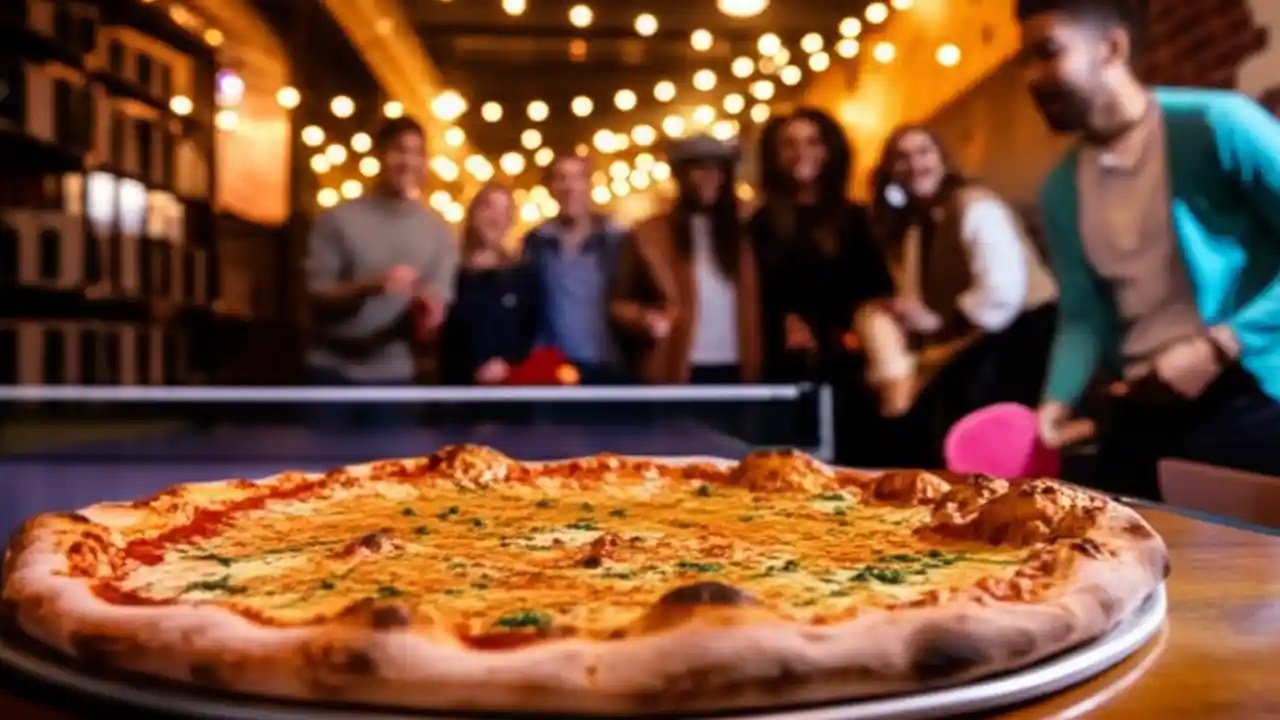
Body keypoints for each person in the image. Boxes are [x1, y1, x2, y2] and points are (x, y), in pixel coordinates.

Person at [1018, 0, 1280, 498]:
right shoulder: (1059, 190)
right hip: (1142, 404)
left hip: (1248, 384)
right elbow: (1081, 315)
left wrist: (1221, 346)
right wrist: (1055, 403)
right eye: (1024, 62)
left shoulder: (1218, 123)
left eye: (1047, 52)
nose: (1031, 77)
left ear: (1112, 47)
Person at [856, 125, 1059, 462]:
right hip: (975, 336)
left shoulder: (974, 205)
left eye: (923, 152)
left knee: (944, 417)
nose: (914, 164)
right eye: (902, 158)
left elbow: (1001, 292)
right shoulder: (916, 227)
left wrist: (943, 324)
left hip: (1022, 335)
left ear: (942, 160)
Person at [304, 117, 457, 426]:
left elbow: (436, 309)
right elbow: (316, 293)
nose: (407, 161)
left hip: (395, 380)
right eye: (399, 150)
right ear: (379, 155)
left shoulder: (439, 232)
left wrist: (429, 312)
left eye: (417, 153)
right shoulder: (338, 220)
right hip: (331, 374)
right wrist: (371, 286)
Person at [749, 108, 893, 382]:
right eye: (789, 144)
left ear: (829, 150)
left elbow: (877, 288)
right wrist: (784, 321)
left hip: (852, 358)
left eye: (813, 142)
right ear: (774, 156)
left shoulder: (856, 218)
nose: (801, 152)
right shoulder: (760, 224)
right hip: (783, 361)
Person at [611, 135, 762, 384]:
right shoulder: (649, 235)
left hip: (741, 368)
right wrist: (647, 319)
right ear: (681, 175)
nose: (709, 177)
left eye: (717, 169)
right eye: (698, 168)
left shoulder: (748, 233)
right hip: (675, 367)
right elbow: (619, 303)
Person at [522, 154, 629, 384]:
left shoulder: (618, 241)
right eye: (561, 178)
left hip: (610, 365)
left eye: (578, 178)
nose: (569, 187)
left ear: (589, 185)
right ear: (550, 188)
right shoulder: (536, 242)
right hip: (554, 368)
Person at [439, 184, 540, 386]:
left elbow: (531, 330)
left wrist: (507, 363)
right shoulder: (449, 270)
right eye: (489, 208)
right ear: (473, 214)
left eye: (504, 211)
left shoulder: (523, 276)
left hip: (511, 387)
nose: (495, 218)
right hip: (457, 388)